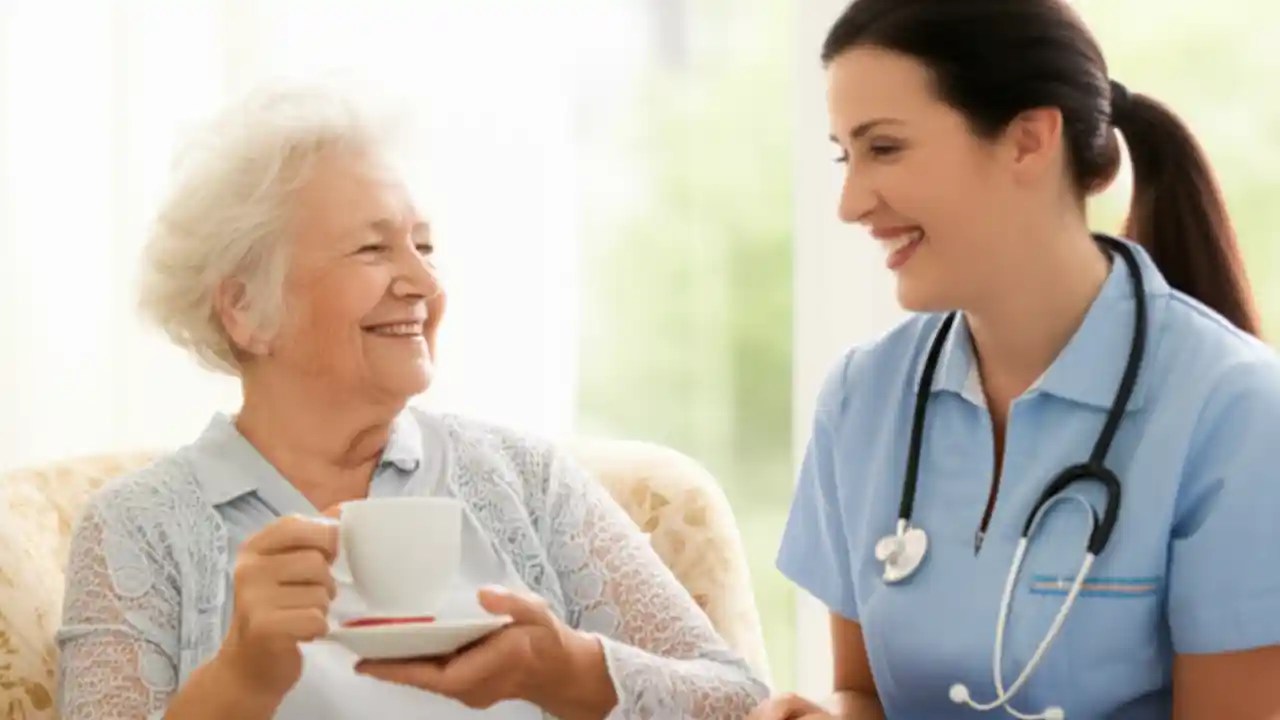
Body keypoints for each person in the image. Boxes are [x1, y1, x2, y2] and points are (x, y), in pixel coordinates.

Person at [55, 86, 768, 720]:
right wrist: (240, 681)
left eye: (424, 246)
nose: (424, 283)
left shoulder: (525, 482)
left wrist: (571, 671)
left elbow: (741, 702)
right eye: (374, 251)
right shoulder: (137, 529)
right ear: (245, 308)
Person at [751, 1, 1280, 719]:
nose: (849, 203)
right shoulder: (861, 398)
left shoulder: (1234, 412)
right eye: (846, 155)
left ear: (1028, 140)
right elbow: (863, 692)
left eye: (884, 149)